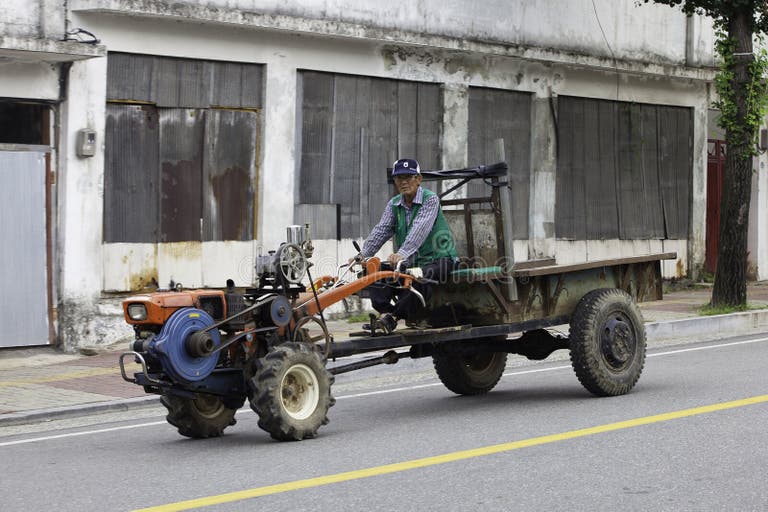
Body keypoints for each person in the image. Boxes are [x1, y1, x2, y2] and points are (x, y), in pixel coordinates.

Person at [358, 158, 458, 333]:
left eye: (408, 177)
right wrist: (363, 255)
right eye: (399, 178)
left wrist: (402, 253)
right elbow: (381, 230)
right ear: (395, 182)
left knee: (418, 275)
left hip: (440, 258)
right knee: (375, 270)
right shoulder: (394, 204)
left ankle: (393, 318)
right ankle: (386, 314)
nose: (403, 182)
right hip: (412, 260)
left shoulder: (430, 200)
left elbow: (420, 229)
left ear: (418, 179)